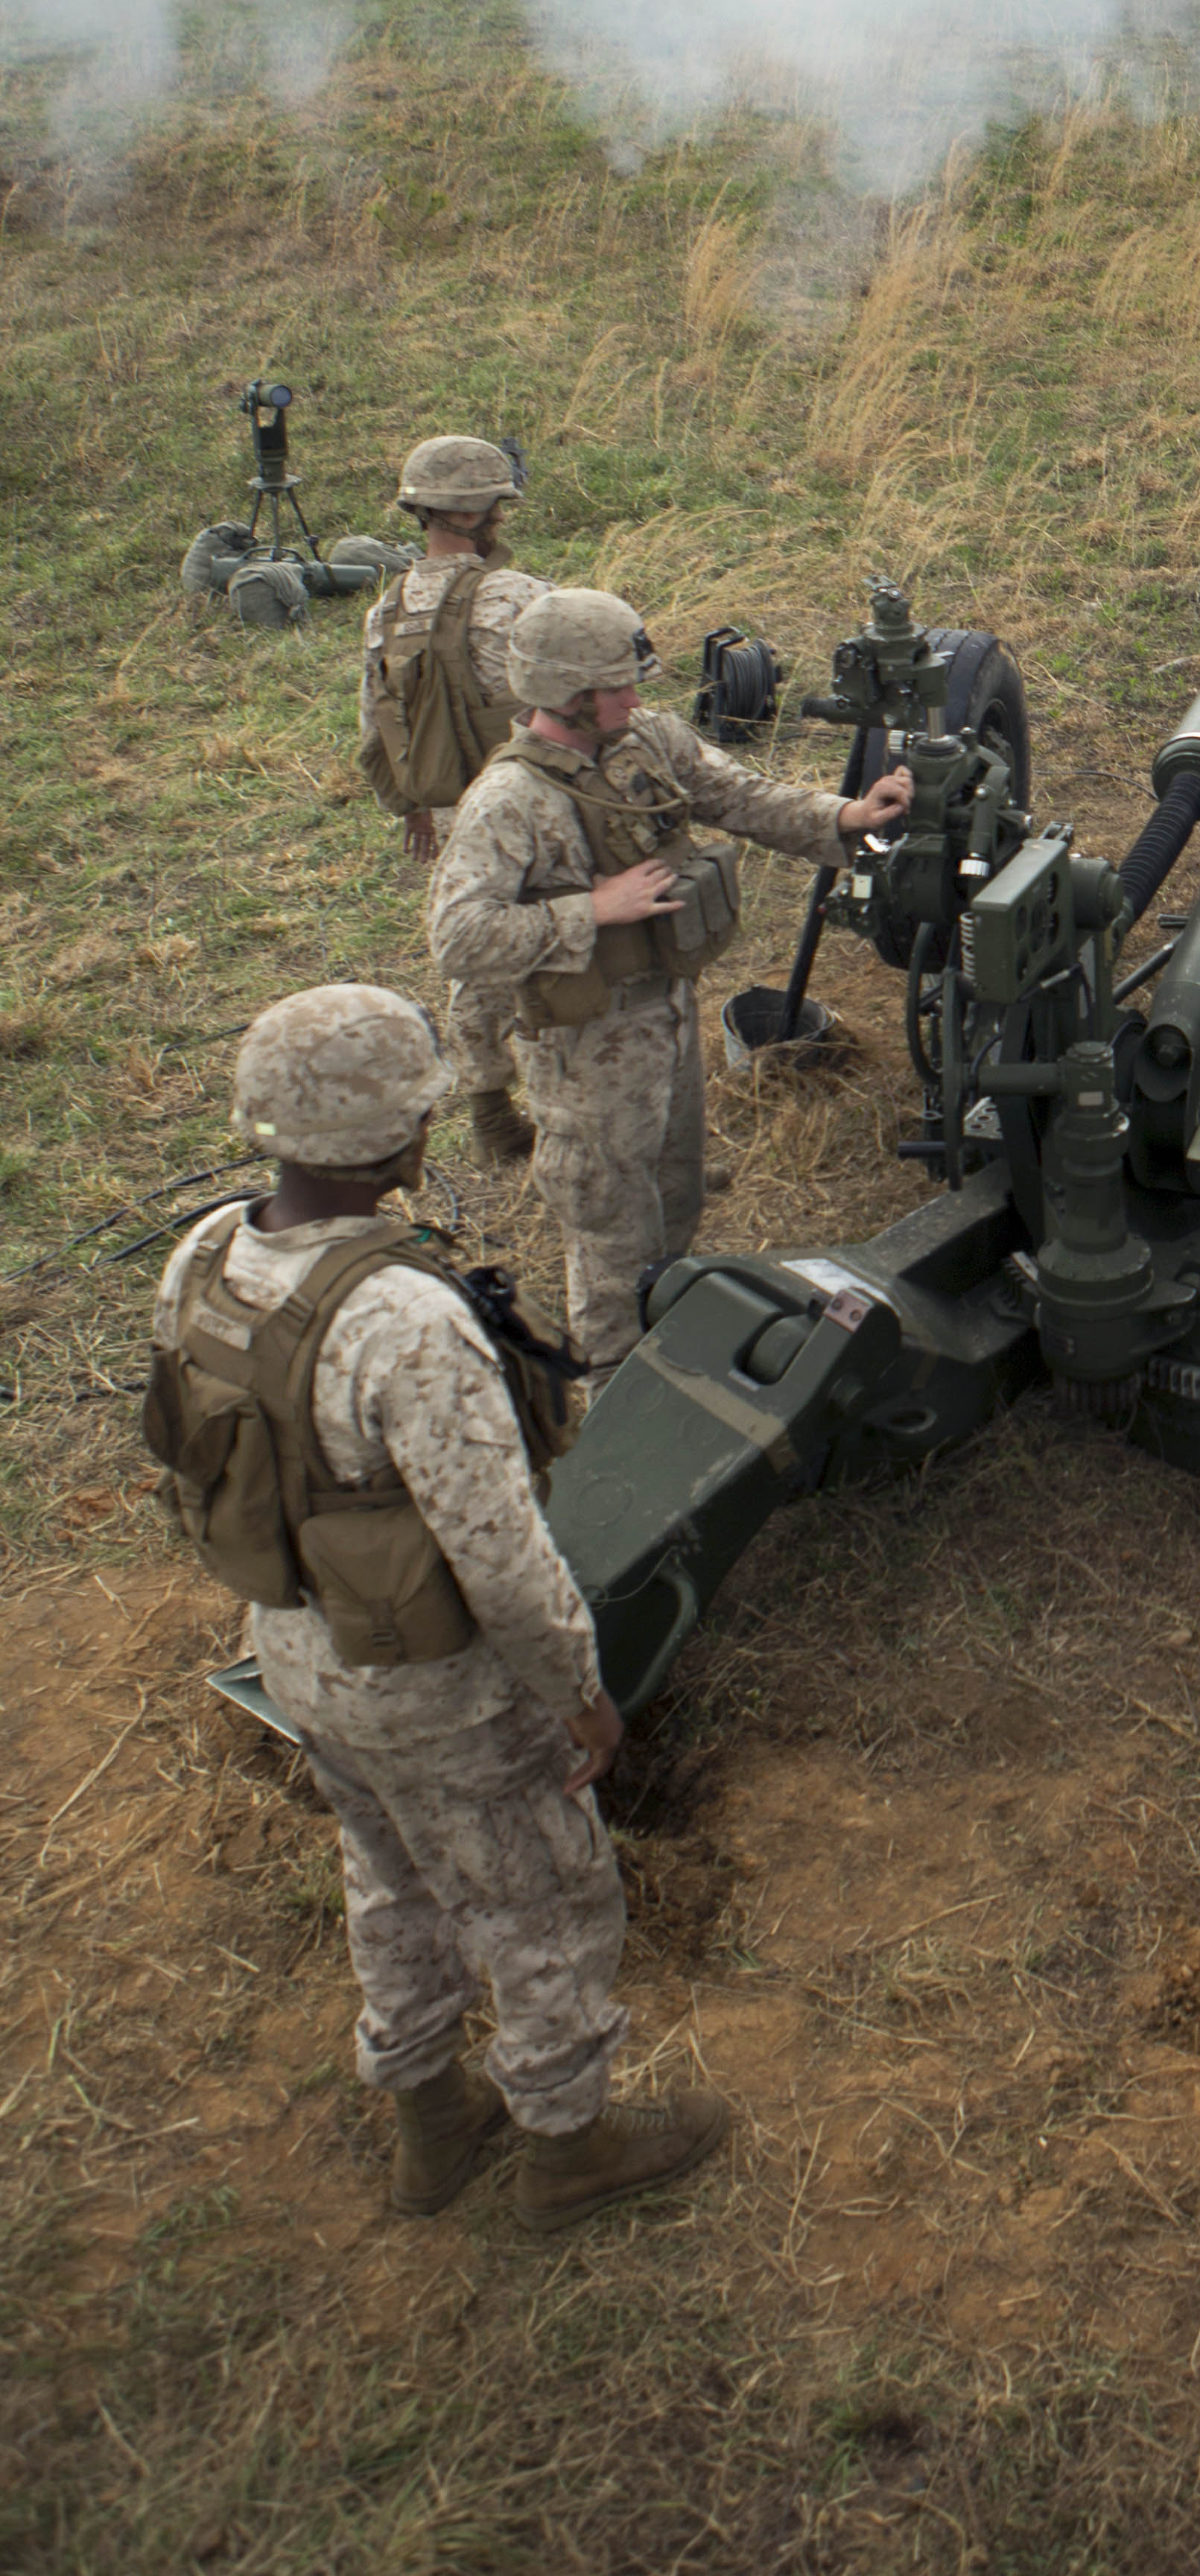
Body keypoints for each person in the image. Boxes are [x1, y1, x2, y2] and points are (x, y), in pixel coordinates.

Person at [145, 985, 730, 2230]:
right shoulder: (406, 1320)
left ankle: (429, 2121)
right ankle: (568, 2144)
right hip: (438, 1692)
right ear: (404, 1141)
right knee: (544, 1900)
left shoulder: (202, 1259)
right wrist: (582, 1696)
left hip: (300, 1656)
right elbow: (502, 1555)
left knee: (389, 1875)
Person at [427, 588, 912, 1371]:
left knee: (676, 1198)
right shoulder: (510, 802)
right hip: (587, 1055)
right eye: (618, 684)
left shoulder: (643, 740)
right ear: (569, 696)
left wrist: (845, 815)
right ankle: (620, 1404)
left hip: (670, 1015)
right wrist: (591, 910)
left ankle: (675, 1345)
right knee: (612, 1247)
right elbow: (458, 940)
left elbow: (736, 794)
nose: (636, 695)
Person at [358, 434, 549, 1174]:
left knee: (475, 958)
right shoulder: (519, 597)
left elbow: (377, 719)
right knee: (567, 940)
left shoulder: (388, 607)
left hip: (448, 804)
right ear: (481, 513)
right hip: (530, 798)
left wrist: (411, 803)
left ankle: (492, 1112)